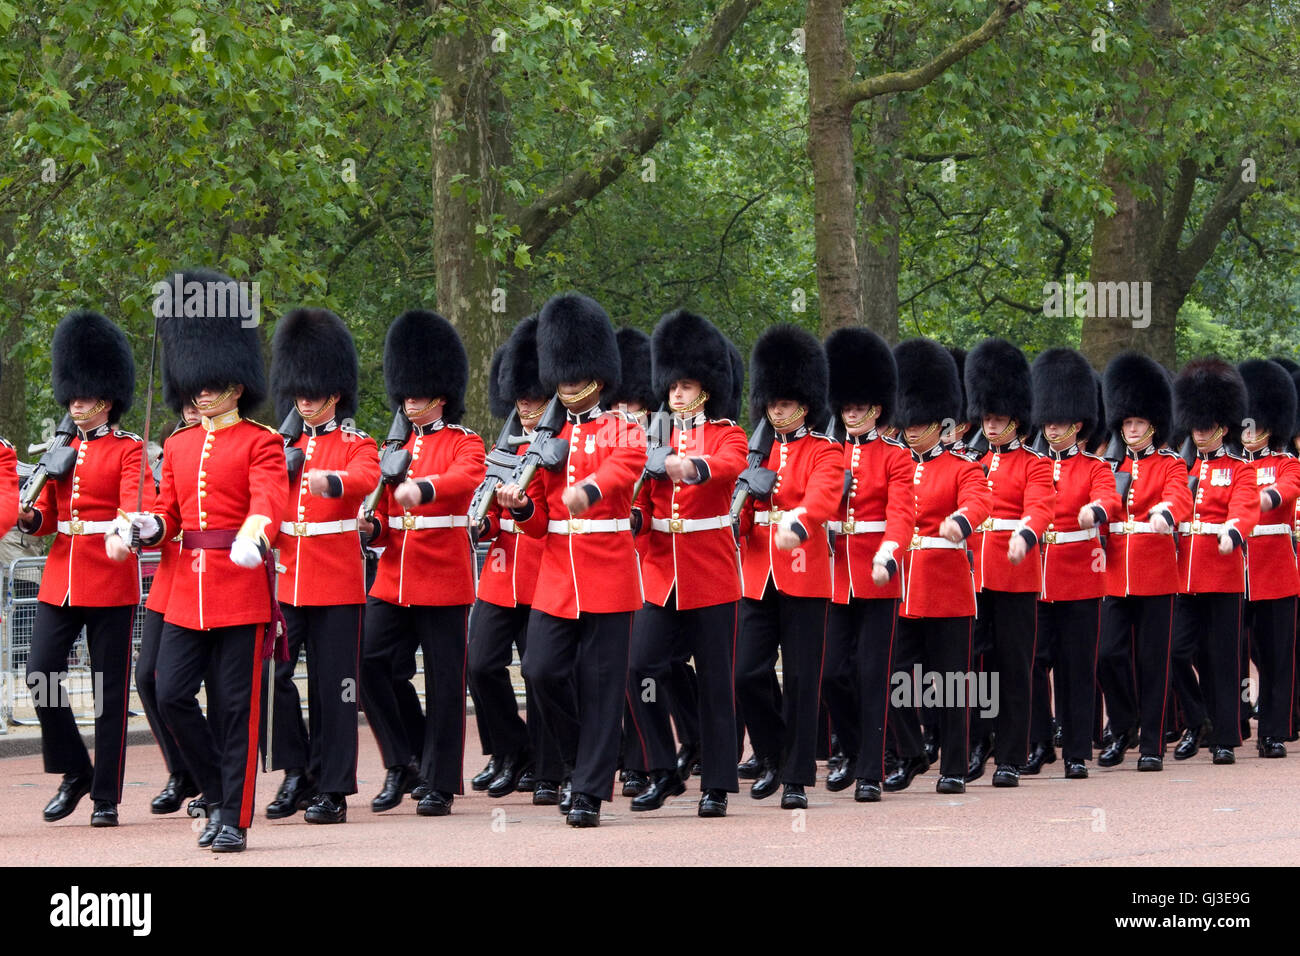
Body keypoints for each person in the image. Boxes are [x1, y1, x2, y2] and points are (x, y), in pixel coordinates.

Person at [131, 268, 289, 852]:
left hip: (238, 587)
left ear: (237, 385)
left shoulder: (260, 440)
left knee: (235, 711)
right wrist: (150, 524)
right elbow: (168, 510)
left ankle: (234, 814)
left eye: (212, 383)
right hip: (181, 590)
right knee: (168, 692)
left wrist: (255, 535)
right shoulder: (176, 444)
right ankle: (212, 786)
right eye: (194, 383)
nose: (200, 392)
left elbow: (269, 499)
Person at [496, 291, 646, 828]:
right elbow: (538, 524)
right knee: (540, 671)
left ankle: (587, 789)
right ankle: (587, 757)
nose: (563, 385)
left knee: (604, 685)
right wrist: (520, 508)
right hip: (557, 576)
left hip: (606, 572)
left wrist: (589, 490)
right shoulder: (545, 436)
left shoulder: (623, 427)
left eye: (573, 374)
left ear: (597, 378)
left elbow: (625, 469)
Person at [360, 309, 484, 817]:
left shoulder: (464, 440)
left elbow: (466, 478)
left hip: (443, 576)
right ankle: (404, 759)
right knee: (370, 663)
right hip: (393, 576)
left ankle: (440, 780)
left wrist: (422, 488)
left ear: (440, 393)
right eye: (405, 394)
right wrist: (372, 527)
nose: (410, 401)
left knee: (445, 682)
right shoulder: (395, 446)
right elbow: (385, 519)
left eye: (418, 393)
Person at [21, 309, 141, 828]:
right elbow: (49, 517)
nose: (76, 404)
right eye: (72, 396)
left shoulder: (129, 450)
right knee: (41, 672)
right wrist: (31, 515)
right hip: (62, 576)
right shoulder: (59, 450)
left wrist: (122, 533)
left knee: (109, 692)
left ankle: (106, 796)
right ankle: (75, 769)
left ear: (106, 400)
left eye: (86, 398)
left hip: (110, 579)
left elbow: (136, 506)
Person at [625, 309, 747, 817]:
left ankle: (717, 782)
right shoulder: (653, 435)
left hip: (711, 574)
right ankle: (662, 770)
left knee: (717, 681)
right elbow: (643, 502)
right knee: (640, 668)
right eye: (671, 385)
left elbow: (729, 467)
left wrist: (689, 465)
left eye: (686, 385)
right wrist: (632, 512)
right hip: (661, 573)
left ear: (707, 389)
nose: (676, 394)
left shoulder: (727, 433)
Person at [266, 307, 380, 823]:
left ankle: (333, 788)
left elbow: (363, 478)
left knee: (336, 689)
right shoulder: (276, 446)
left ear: (335, 393)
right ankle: (297, 770)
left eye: (314, 392)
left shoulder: (357, 443)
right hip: (288, 577)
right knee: (273, 675)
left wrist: (325, 481)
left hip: (336, 582)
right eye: (299, 392)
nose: (305, 400)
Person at [733, 324, 843, 810]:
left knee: (801, 679)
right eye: (771, 402)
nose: (776, 409)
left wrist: (798, 522)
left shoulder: (825, 449)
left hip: (803, 570)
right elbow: (739, 508)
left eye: (785, 402)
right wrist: (739, 510)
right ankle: (775, 753)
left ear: (804, 402)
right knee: (745, 673)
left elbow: (823, 497)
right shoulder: (756, 449)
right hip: (759, 571)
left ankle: (796, 776)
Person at [883, 338, 991, 795]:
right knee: (895, 676)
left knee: (951, 683)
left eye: (920, 423)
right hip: (904, 587)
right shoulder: (895, 464)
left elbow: (979, 500)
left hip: (947, 587)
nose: (911, 430)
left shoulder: (962, 465)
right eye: (907, 422)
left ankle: (953, 765)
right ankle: (910, 753)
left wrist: (961, 522)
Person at [469, 315, 565, 801]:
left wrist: (522, 508)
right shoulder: (501, 446)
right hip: (500, 574)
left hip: (542, 570)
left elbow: (544, 519)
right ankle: (510, 750)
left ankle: (548, 769)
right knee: (481, 665)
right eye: (521, 400)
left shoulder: (558, 452)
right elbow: (489, 514)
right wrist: (482, 522)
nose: (526, 408)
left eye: (535, 400)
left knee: (539, 672)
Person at [821, 326, 913, 803]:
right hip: (836, 575)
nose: (852, 413)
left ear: (877, 409)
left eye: (860, 407)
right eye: (847, 406)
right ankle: (855, 752)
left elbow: (902, 514)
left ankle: (872, 770)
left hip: (878, 577)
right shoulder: (828, 452)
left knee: (873, 673)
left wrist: (888, 554)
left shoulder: (895, 456)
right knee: (832, 671)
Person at [963, 338, 1056, 787]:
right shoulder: (972, 460)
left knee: (1013, 665)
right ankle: (979, 740)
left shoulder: (1034, 463)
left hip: (1016, 576)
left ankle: (1011, 754)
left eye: (998, 419)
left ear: (1015, 421)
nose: (991, 425)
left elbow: (1041, 507)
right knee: (977, 664)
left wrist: (1025, 533)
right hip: (974, 575)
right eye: (987, 418)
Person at [1096, 352, 1192, 772]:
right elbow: (1100, 499)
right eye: (1126, 423)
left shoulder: (1170, 463)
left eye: (1138, 422)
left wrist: (1166, 514)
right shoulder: (1109, 465)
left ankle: (1152, 744)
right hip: (1115, 575)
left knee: (1154, 662)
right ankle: (1124, 726)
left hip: (1155, 575)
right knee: (1107, 655)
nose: (1131, 429)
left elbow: (1180, 496)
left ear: (1153, 423)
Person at [1029, 348, 1120, 779]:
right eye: (1048, 420)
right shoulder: (1032, 466)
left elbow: (1109, 496)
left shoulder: (1094, 467)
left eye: (1060, 421)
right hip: (1036, 576)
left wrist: (1095, 512)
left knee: (1076, 666)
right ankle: (1039, 740)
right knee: (1032, 663)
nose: (1051, 428)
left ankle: (1077, 751)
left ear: (1078, 424)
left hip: (1080, 579)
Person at [1169, 359, 1259, 764]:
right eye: (1196, 426)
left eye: (1207, 427)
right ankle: (1198, 719)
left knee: (1223, 661)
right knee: (1173, 653)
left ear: (1223, 427)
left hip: (1222, 576)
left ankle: (1225, 738)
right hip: (1184, 577)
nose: (1200, 433)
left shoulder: (1239, 468)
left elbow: (1245, 506)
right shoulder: (1182, 465)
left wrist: (1234, 530)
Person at [136, 400, 204, 815]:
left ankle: (215, 779)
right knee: (149, 678)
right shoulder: (173, 444)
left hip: (214, 575)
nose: (196, 404)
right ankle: (182, 770)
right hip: (172, 575)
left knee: (217, 688)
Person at [1238, 359, 1300, 758]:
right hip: (1237, 569)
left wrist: (1256, 500)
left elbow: (1283, 492)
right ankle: (1232, 720)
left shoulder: (1286, 464)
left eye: (1254, 425)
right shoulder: (1227, 466)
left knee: (1277, 656)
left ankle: (1273, 730)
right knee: (1232, 654)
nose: (1248, 433)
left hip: (1275, 568)